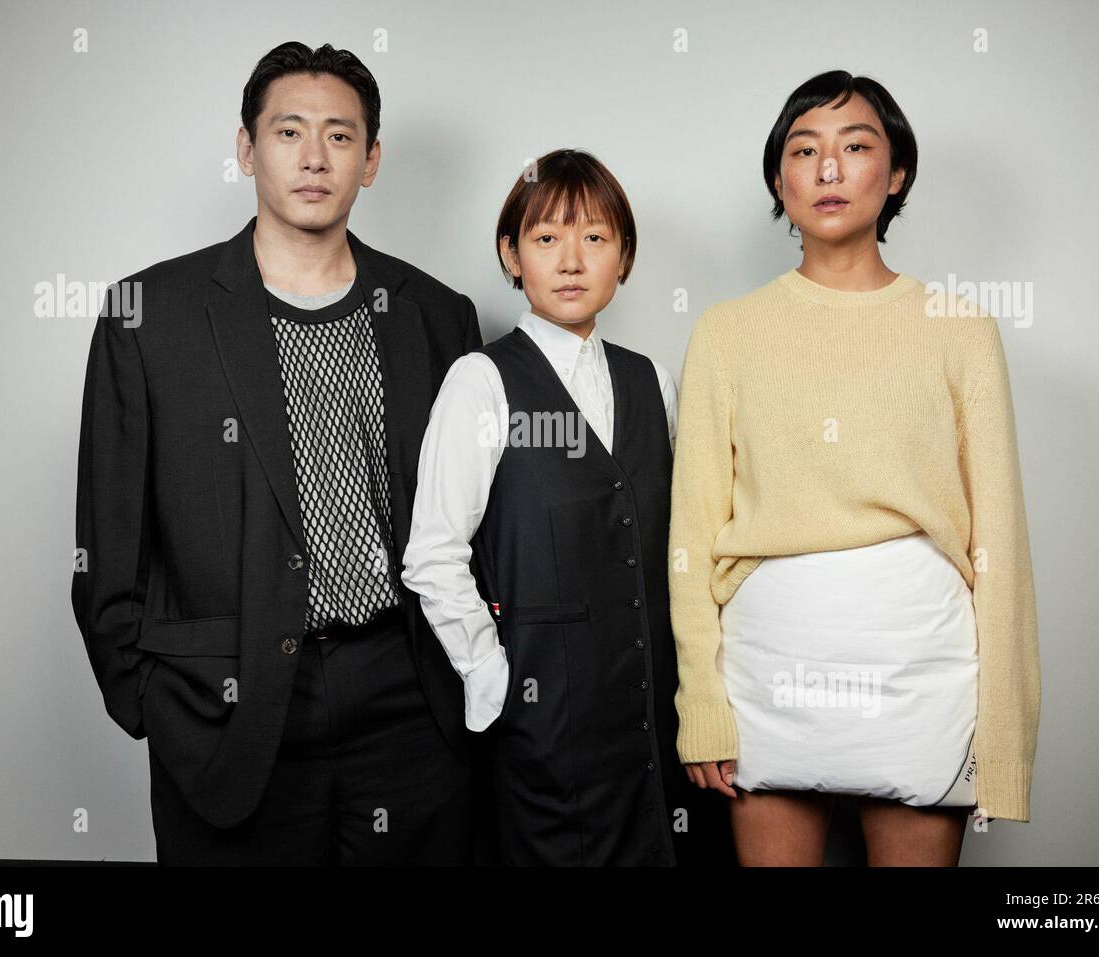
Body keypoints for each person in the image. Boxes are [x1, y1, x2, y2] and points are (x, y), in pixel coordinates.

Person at [71, 41, 484, 864]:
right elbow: (107, 542)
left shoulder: (436, 315)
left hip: (408, 704)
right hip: (229, 708)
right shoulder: (150, 315)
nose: (312, 156)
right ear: (246, 149)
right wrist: (152, 700)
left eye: (339, 136)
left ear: (370, 160)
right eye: (288, 131)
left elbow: (474, 520)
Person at [669, 70, 1040, 866]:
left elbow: (999, 545)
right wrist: (701, 703)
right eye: (805, 149)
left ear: (896, 172)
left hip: (919, 667)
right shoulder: (727, 333)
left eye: (856, 146)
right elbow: (691, 538)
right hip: (767, 670)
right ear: (780, 178)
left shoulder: (962, 331)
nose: (829, 170)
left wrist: (1003, 746)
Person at [402, 148, 733, 866]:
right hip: (545, 728)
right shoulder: (480, 381)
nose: (572, 260)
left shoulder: (653, 382)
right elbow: (433, 553)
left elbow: (685, 547)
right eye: (546, 238)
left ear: (625, 257)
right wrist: (494, 685)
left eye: (595, 238)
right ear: (511, 255)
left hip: (655, 723)